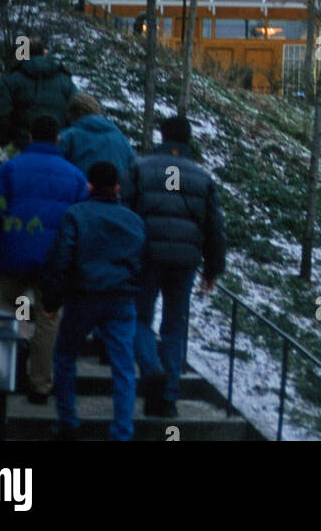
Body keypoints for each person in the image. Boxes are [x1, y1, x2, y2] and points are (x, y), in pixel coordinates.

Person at [0, 114, 88, 405]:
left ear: (30, 138)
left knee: (9, 308)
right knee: (48, 318)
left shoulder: (9, 169)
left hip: (13, 253)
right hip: (53, 261)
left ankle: (5, 372)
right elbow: (82, 222)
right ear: (57, 140)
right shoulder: (76, 176)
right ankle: (40, 384)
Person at [40, 160, 146, 442]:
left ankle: (67, 423)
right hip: (121, 300)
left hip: (83, 298)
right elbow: (142, 262)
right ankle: (122, 432)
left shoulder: (76, 214)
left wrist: (51, 300)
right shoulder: (134, 221)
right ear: (117, 188)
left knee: (64, 357)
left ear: (89, 186)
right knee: (123, 367)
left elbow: (62, 258)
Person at [132, 114, 226, 417]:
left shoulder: (140, 168)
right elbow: (215, 226)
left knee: (137, 318)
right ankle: (169, 397)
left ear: (162, 136)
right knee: (175, 325)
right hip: (185, 261)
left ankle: (150, 369)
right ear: (188, 140)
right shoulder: (202, 177)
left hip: (147, 255)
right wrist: (213, 268)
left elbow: (126, 212)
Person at [0, 39, 77, 150]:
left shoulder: (9, 81)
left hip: (20, 148)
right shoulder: (66, 81)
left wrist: (6, 143)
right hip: (59, 147)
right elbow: (76, 113)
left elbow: (1, 115)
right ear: (44, 53)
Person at [58, 94, 138, 206]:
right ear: (97, 110)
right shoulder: (120, 138)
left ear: (71, 113)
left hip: (79, 204)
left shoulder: (68, 137)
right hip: (115, 203)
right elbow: (133, 169)